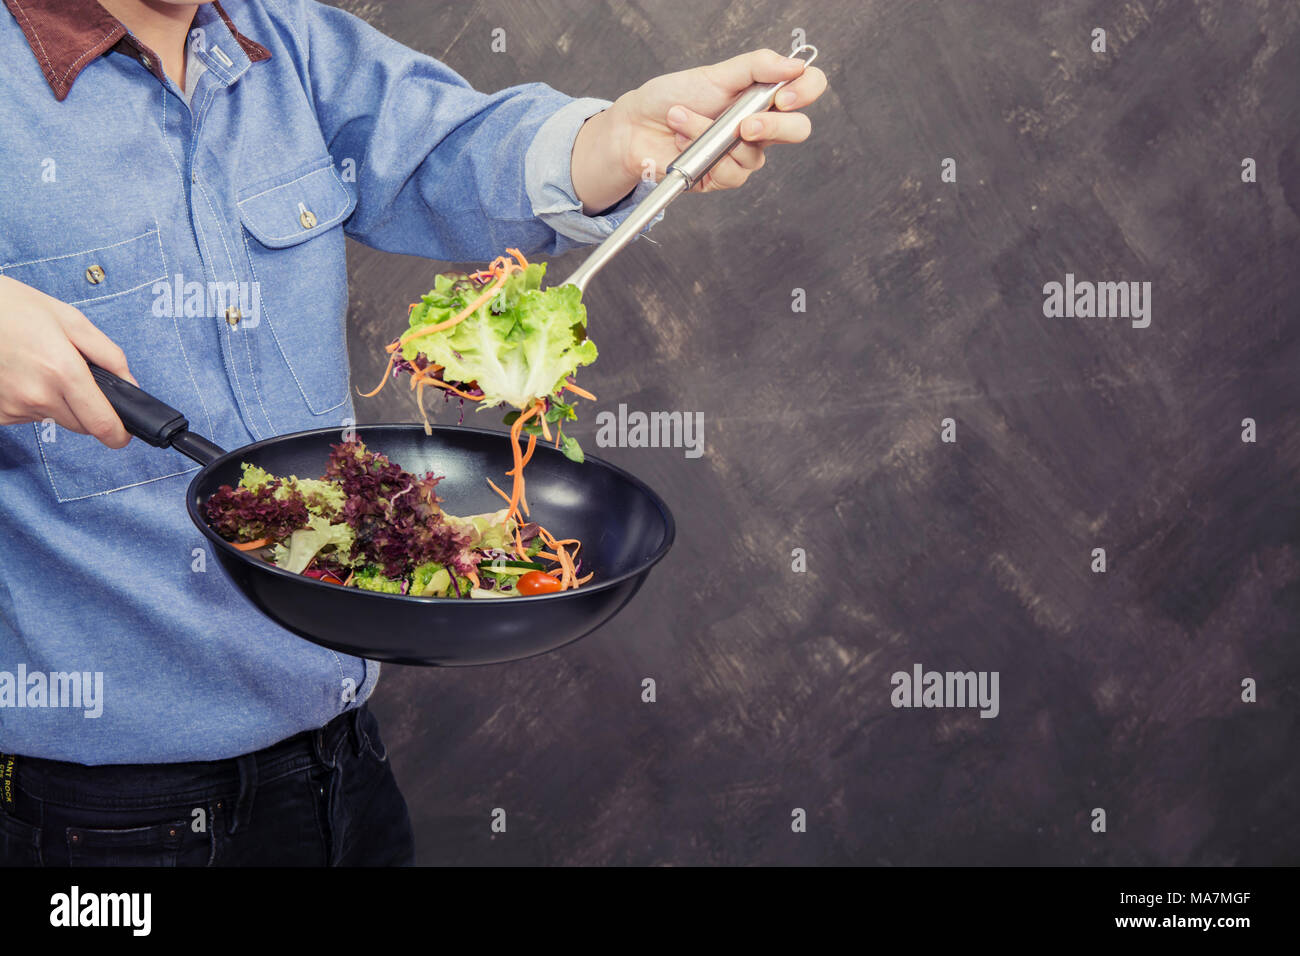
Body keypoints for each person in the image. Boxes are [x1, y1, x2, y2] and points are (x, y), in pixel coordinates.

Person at [0, 0, 826, 866]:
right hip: (102, 820)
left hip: (343, 767)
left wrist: (620, 140)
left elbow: (458, 151)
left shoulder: (288, 40)